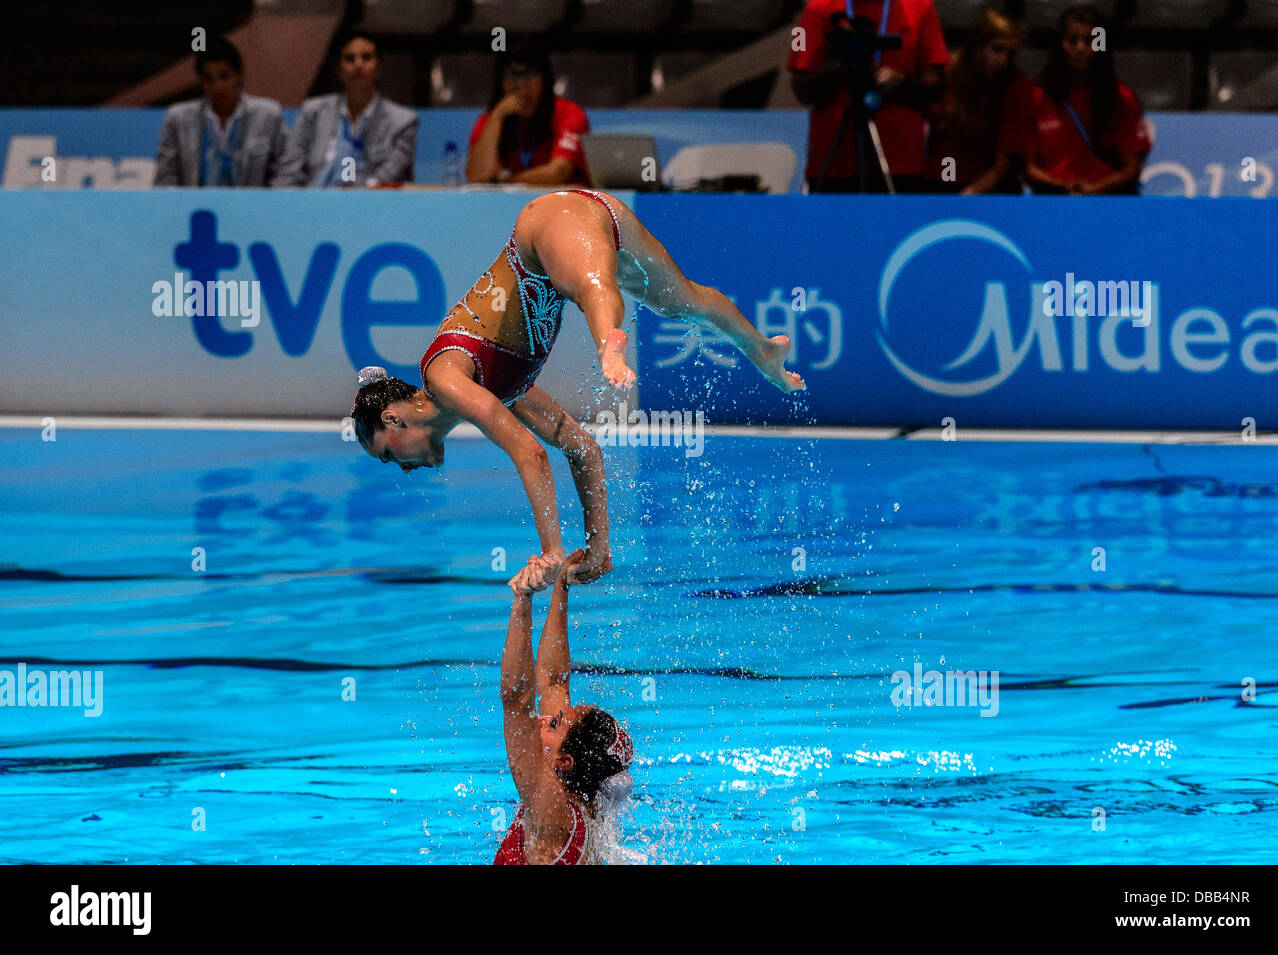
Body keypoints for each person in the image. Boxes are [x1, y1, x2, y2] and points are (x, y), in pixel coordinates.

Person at [348, 189, 803, 584]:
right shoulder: (500, 390)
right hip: (599, 217)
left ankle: (609, 342)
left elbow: (529, 453)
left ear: (393, 417)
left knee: (591, 286)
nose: (401, 466)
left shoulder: (445, 378)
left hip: (547, 225)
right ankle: (762, 350)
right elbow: (581, 447)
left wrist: (550, 552)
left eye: (388, 452)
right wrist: (598, 546)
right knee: (681, 300)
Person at [494, 552, 634, 865]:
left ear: (565, 760)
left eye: (554, 724)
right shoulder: (584, 800)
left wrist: (523, 598)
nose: (542, 720)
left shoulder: (552, 811)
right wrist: (561, 582)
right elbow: (554, 682)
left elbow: (516, 704)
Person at [788, 0, 949, 193]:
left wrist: (903, 82)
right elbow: (801, 89)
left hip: (901, 159)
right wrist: (841, 62)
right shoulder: (818, 8)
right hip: (834, 160)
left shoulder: (920, 6)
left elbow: (936, 84)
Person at [1025, 5, 1150, 195]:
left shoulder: (1120, 97)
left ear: (1100, 46)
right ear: (1059, 44)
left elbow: (1131, 168)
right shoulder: (1036, 96)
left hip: (1106, 199)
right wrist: (1061, 186)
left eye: (1090, 40)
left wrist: (1094, 189)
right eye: (1072, 40)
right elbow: (1027, 167)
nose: (1080, 48)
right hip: (1051, 198)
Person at [153, 38, 301, 187]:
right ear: (200, 81)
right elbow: (165, 179)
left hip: (252, 207)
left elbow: (289, 168)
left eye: (224, 76)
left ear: (239, 74)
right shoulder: (178, 119)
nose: (218, 86)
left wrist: (269, 204)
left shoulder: (267, 115)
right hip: (199, 208)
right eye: (209, 79)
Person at [923, 9, 1035, 194]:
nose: (1003, 59)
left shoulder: (1017, 86)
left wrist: (967, 196)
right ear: (978, 45)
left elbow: (1003, 164)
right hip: (942, 179)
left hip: (991, 187)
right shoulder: (948, 75)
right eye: (997, 49)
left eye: (1010, 53)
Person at [292, 29, 418, 187]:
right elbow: (291, 172)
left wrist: (351, 201)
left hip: (373, 206)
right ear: (339, 69)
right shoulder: (312, 112)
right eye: (350, 58)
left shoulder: (403, 121)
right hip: (315, 202)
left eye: (366, 57)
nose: (358, 64)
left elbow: (387, 176)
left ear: (378, 68)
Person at [466, 38, 590, 186]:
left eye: (529, 74)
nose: (520, 84)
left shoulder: (569, 113)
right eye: (511, 75)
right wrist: (497, 116)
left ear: (545, 78)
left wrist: (505, 180)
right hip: (508, 205)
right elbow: (476, 176)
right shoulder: (492, 119)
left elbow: (559, 172)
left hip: (562, 204)